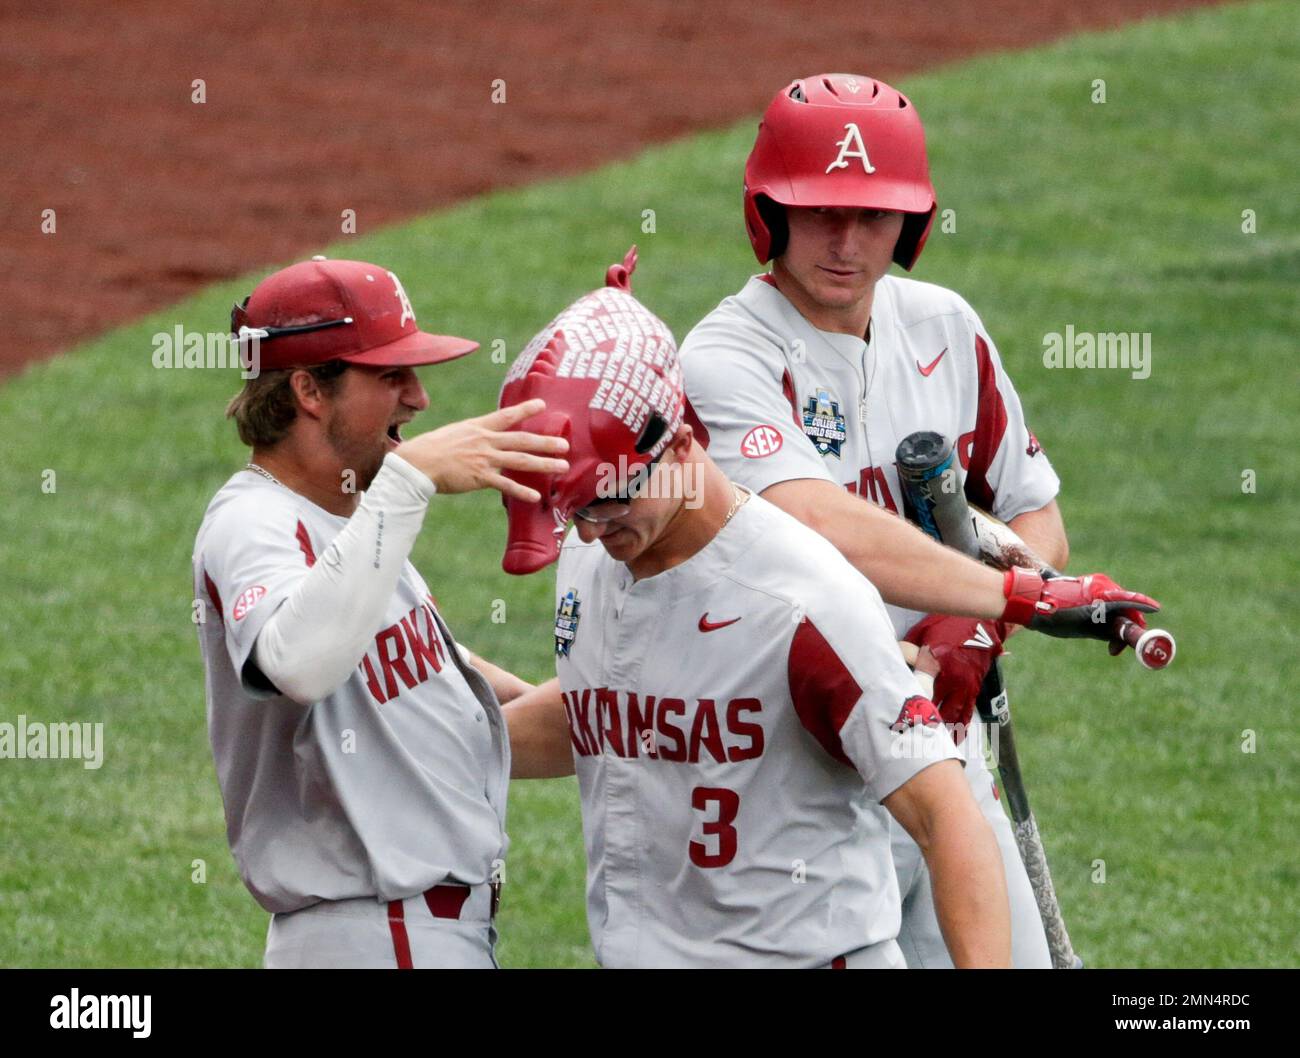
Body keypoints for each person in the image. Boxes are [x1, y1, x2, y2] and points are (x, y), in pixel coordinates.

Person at [674, 74, 1161, 967]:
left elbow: (1031, 510)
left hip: (943, 747)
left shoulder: (945, 325)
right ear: (767, 213)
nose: (847, 240)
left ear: (915, 223)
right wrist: (1018, 598)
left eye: (874, 213)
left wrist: (973, 628)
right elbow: (811, 523)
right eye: (819, 211)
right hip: (799, 777)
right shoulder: (725, 357)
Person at [497, 251, 1012, 968]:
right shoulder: (598, 552)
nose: (587, 531)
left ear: (680, 442)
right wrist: (427, 728)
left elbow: (942, 811)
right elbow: (606, 714)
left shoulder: (801, 598)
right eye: (570, 510)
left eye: (605, 502)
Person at [192, 256, 569, 968]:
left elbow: (479, 718)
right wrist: (410, 481)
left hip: (413, 937)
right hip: (374, 934)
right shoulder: (254, 523)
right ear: (307, 389)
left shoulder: (353, 526)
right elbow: (295, 664)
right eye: (390, 376)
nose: (420, 399)